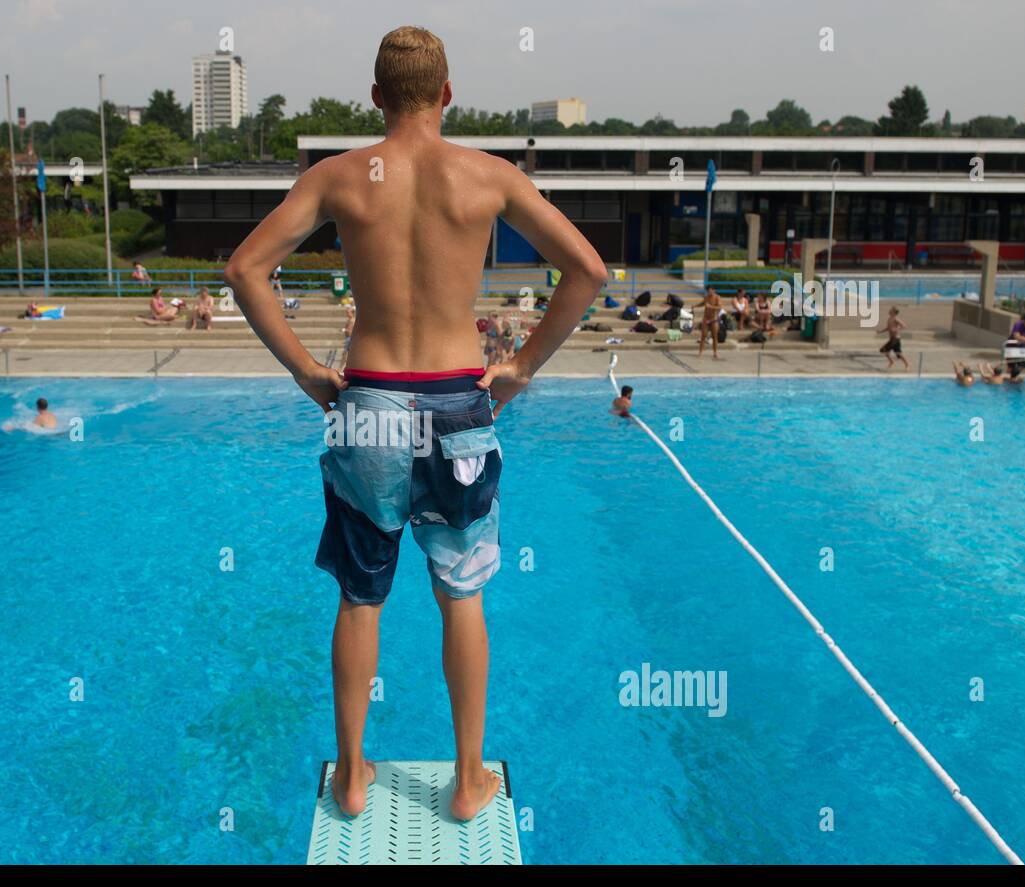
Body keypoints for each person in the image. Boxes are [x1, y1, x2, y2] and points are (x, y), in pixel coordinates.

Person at [223, 25, 606, 822]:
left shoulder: (340, 177)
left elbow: (244, 269)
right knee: (460, 595)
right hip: (458, 403)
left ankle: (355, 778)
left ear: (373, 98)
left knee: (362, 600)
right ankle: (467, 783)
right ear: (447, 93)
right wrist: (523, 364)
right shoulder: (488, 176)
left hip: (364, 407)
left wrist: (305, 370)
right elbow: (589, 271)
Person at [878, 306, 910, 371]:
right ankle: (891, 362)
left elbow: (904, 325)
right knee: (883, 350)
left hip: (896, 338)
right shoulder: (889, 319)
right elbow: (888, 328)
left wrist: (896, 329)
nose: (889, 311)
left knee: (898, 353)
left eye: (891, 310)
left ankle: (907, 365)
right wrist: (880, 332)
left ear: (894, 313)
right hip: (891, 339)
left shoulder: (896, 319)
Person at [695, 287, 722, 359]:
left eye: (710, 291)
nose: (709, 292)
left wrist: (711, 306)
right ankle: (700, 352)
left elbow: (719, 307)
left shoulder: (717, 297)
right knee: (703, 335)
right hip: (706, 318)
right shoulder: (706, 297)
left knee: (714, 336)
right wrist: (695, 306)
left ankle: (715, 353)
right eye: (708, 291)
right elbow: (702, 303)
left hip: (714, 319)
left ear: (714, 290)